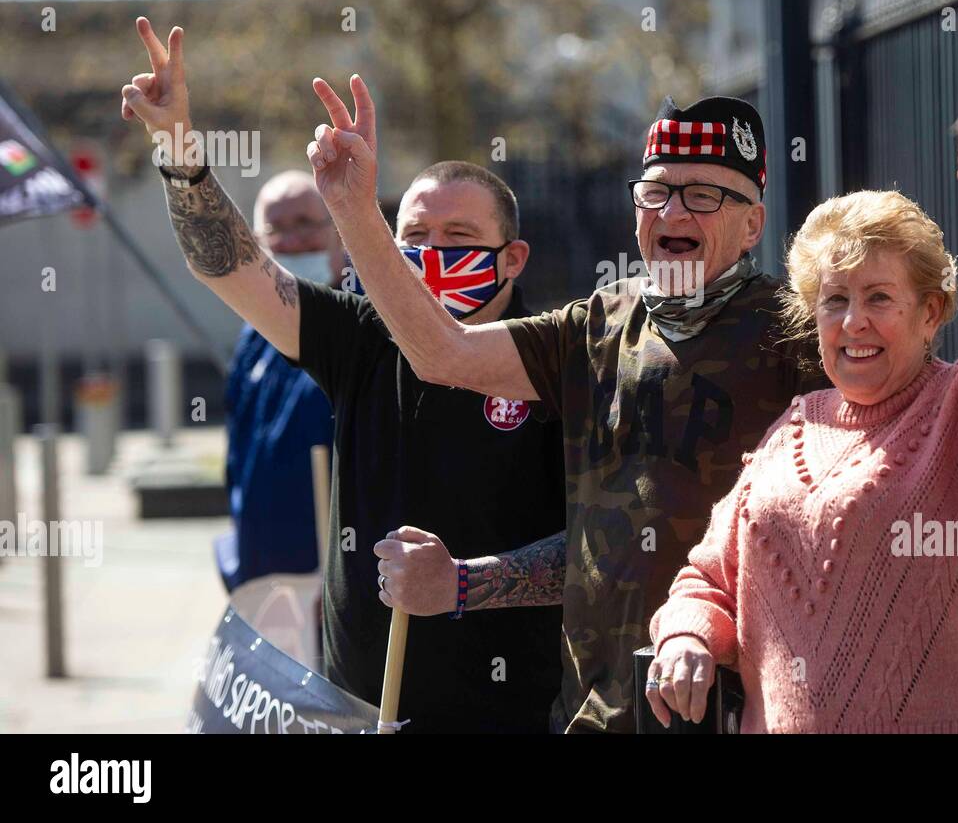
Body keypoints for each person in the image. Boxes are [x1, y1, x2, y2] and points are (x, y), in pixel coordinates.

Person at [307, 82, 825, 732]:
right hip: (595, 709)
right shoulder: (599, 325)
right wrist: (355, 211)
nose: (673, 213)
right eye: (656, 192)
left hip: (741, 704)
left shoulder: (798, 333)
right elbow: (441, 352)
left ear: (752, 223)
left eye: (704, 196)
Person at [120, 18, 564, 732]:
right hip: (353, 708)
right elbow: (231, 266)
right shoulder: (363, 334)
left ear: (513, 259)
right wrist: (177, 147)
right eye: (414, 238)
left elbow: (601, 547)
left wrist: (463, 584)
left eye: (460, 239)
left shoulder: (557, 355)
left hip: (509, 713)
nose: (431, 255)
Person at [647, 104, 958, 733]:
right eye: (835, 300)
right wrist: (686, 638)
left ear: (930, 313)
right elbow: (707, 579)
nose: (854, 322)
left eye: (879, 297)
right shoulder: (790, 431)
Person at [216, 170, 340, 592]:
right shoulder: (255, 333)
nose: (292, 241)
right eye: (276, 229)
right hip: (259, 574)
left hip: (331, 578)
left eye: (305, 223)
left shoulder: (364, 325)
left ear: (338, 227)